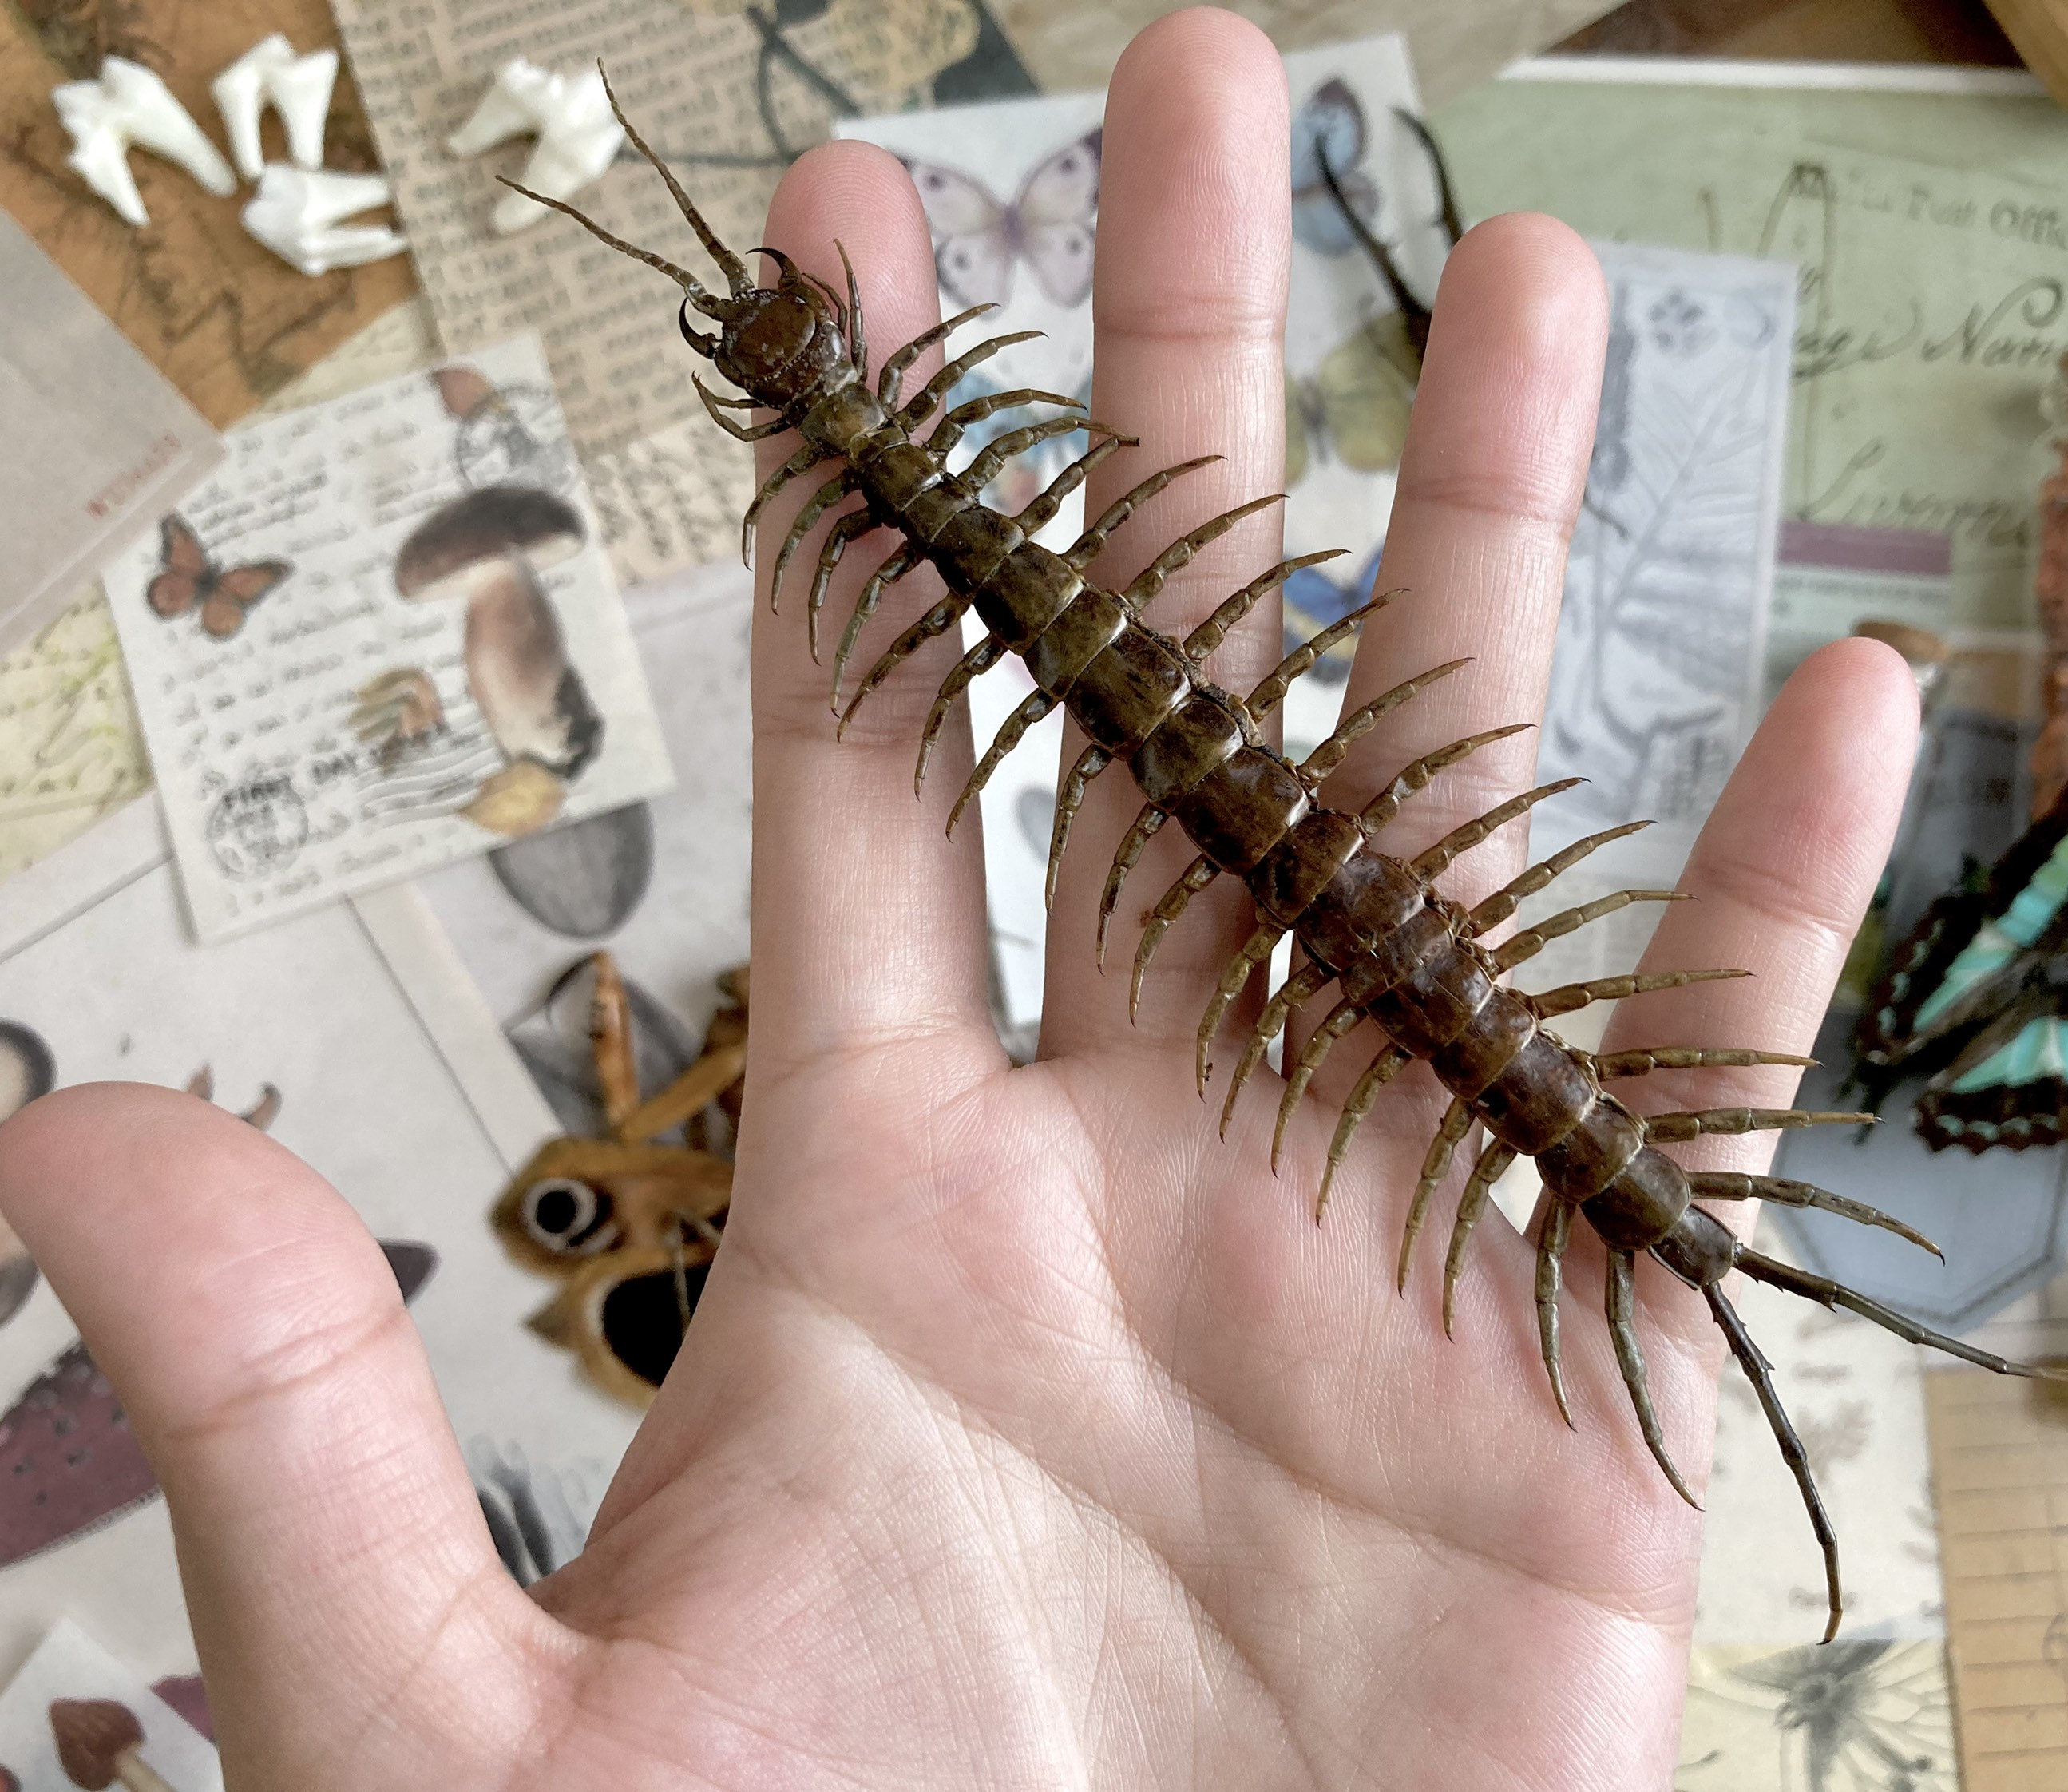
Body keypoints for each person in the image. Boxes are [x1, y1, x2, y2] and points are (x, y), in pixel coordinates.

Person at [0, 10, 1915, 1785]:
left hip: (1478, 1038)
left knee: (1323, 886)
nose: (764, 342)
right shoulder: (894, 498)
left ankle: (1691, 1240)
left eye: (783, 345)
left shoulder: (923, 500)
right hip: (1420, 992)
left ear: (834, 389)